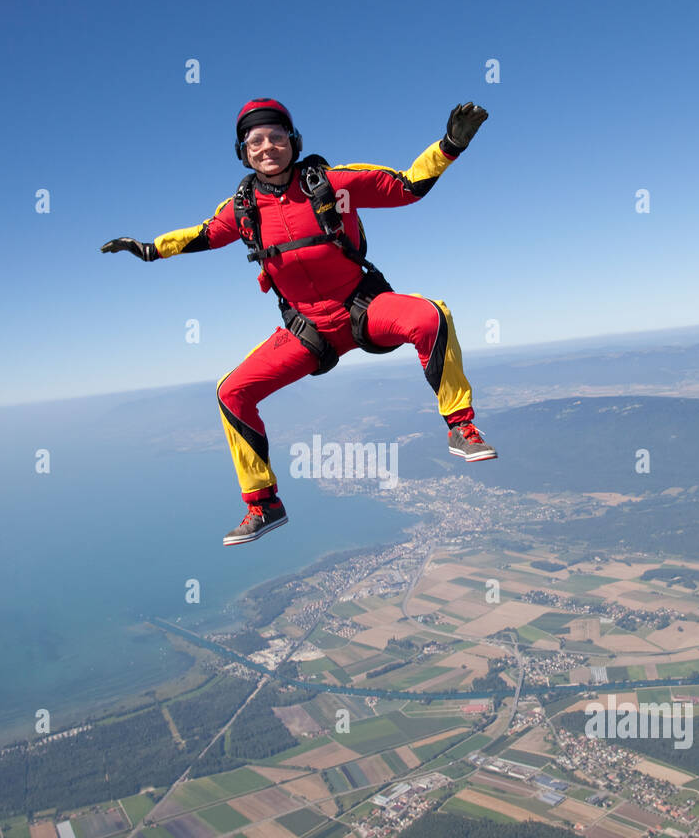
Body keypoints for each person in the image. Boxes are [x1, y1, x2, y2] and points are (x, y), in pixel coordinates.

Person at [102, 98, 498, 545]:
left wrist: (449, 146)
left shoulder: (331, 183)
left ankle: (460, 427)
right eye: (255, 141)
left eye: (276, 136)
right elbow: (204, 234)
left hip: (362, 307)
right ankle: (263, 505)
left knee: (431, 315)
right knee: (231, 391)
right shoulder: (244, 208)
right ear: (243, 152)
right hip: (307, 329)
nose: (267, 146)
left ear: (294, 142)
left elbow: (407, 186)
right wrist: (151, 249)